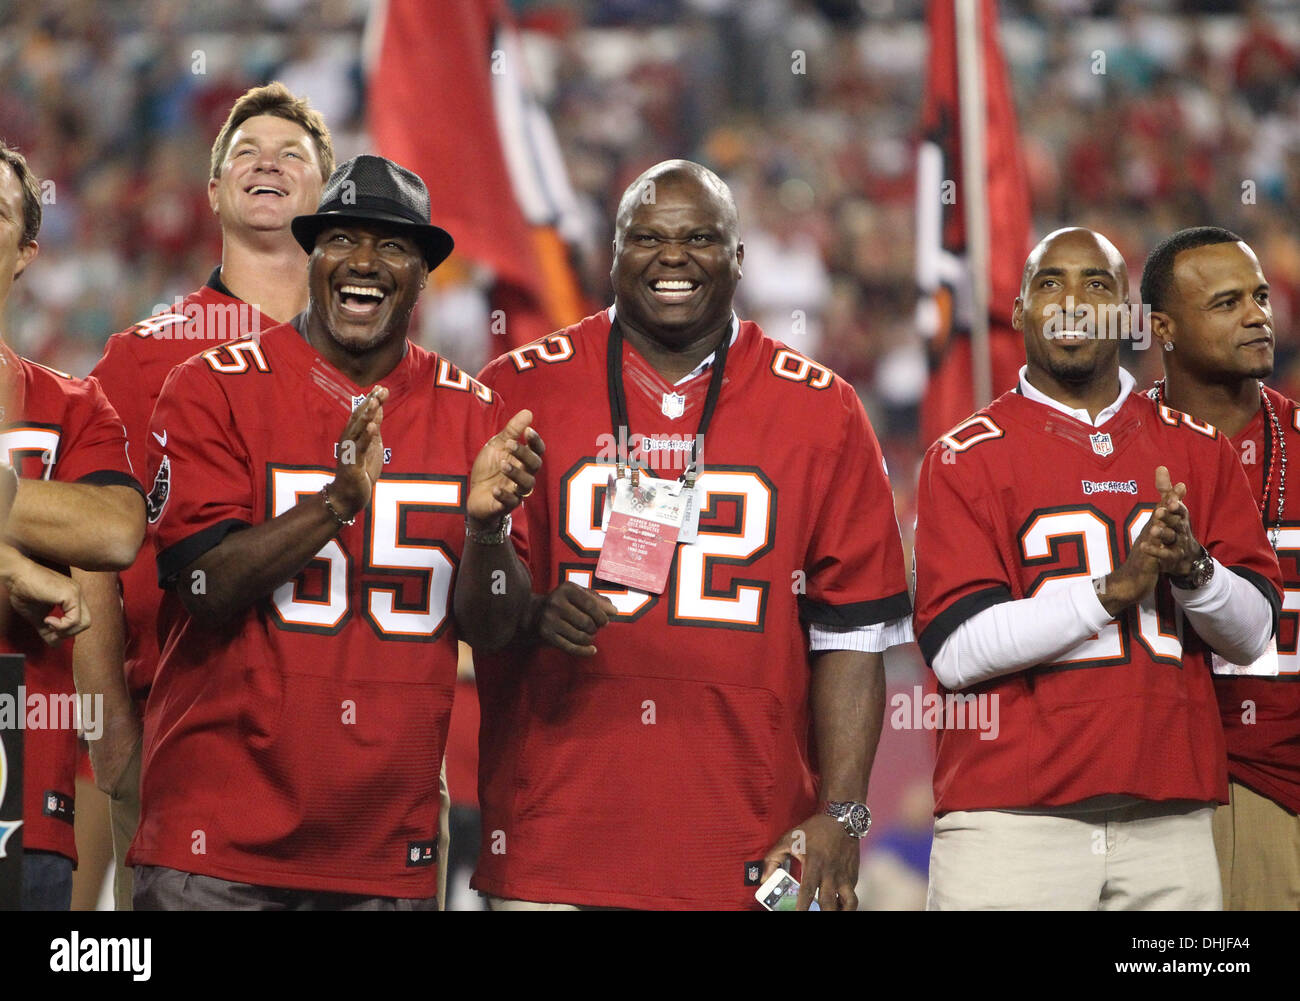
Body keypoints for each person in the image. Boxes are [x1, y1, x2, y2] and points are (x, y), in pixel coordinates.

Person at [473, 159, 912, 911]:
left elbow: (853, 634)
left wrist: (842, 813)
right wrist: (523, 600)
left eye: (699, 237)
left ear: (739, 258)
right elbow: (476, 613)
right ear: (612, 254)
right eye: (647, 236)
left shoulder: (825, 411)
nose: (672, 255)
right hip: (557, 838)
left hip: (748, 841)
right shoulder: (518, 388)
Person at [128, 154, 539, 910]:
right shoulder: (212, 385)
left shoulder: (475, 414)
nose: (363, 261)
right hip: (216, 841)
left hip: (384, 848)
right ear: (311, 258)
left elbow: (499, 631)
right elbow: (204, 586)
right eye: (342, 239)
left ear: (423, 275)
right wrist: (336, 503)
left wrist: (487, 531)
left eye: (390, 246)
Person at [912, 227, 1283, 910]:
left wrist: (1194, 569)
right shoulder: (964, 456)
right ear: (1020, 309)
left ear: (1128, 316)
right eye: (1050, 283)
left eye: (1097, 284)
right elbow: (958, 651)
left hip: (1170, 819)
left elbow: (1254, 630)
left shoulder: (1199, 448)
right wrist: (1114, 590)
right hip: (1012, 822)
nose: (1073, 300)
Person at [73, 82, 333, 911]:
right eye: (246, 153)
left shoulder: (385, 362)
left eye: (294, 154)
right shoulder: (135, 361)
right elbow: (90, 557)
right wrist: (110, 730)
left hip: (355, 753)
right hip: (183, 740)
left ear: (324, 197)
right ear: (214, 191)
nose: (269, 162)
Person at [0, 140, 146, 910]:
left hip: (19, 790)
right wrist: (20, 562)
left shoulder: (73, 404)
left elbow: (114, 530)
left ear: (26, 252)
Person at [1144, 225, 1300, 910]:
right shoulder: (1114, 456)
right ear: (1163, 329)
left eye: (1261, 296)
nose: (1258, 315)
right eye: (1228, 301)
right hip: (1176, 786)